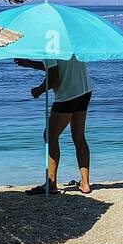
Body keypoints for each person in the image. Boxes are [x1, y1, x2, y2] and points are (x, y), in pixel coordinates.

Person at [16, 55, 93, 194]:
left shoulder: (50, 49)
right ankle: (85, 183)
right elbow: (55, 66)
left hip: (67, 95)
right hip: (84, 90)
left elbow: (54, 77)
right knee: (79, 137)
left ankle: (51, 183)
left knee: (50, 136)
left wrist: (39, 90)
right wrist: (30, 63)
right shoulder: (69, 45)